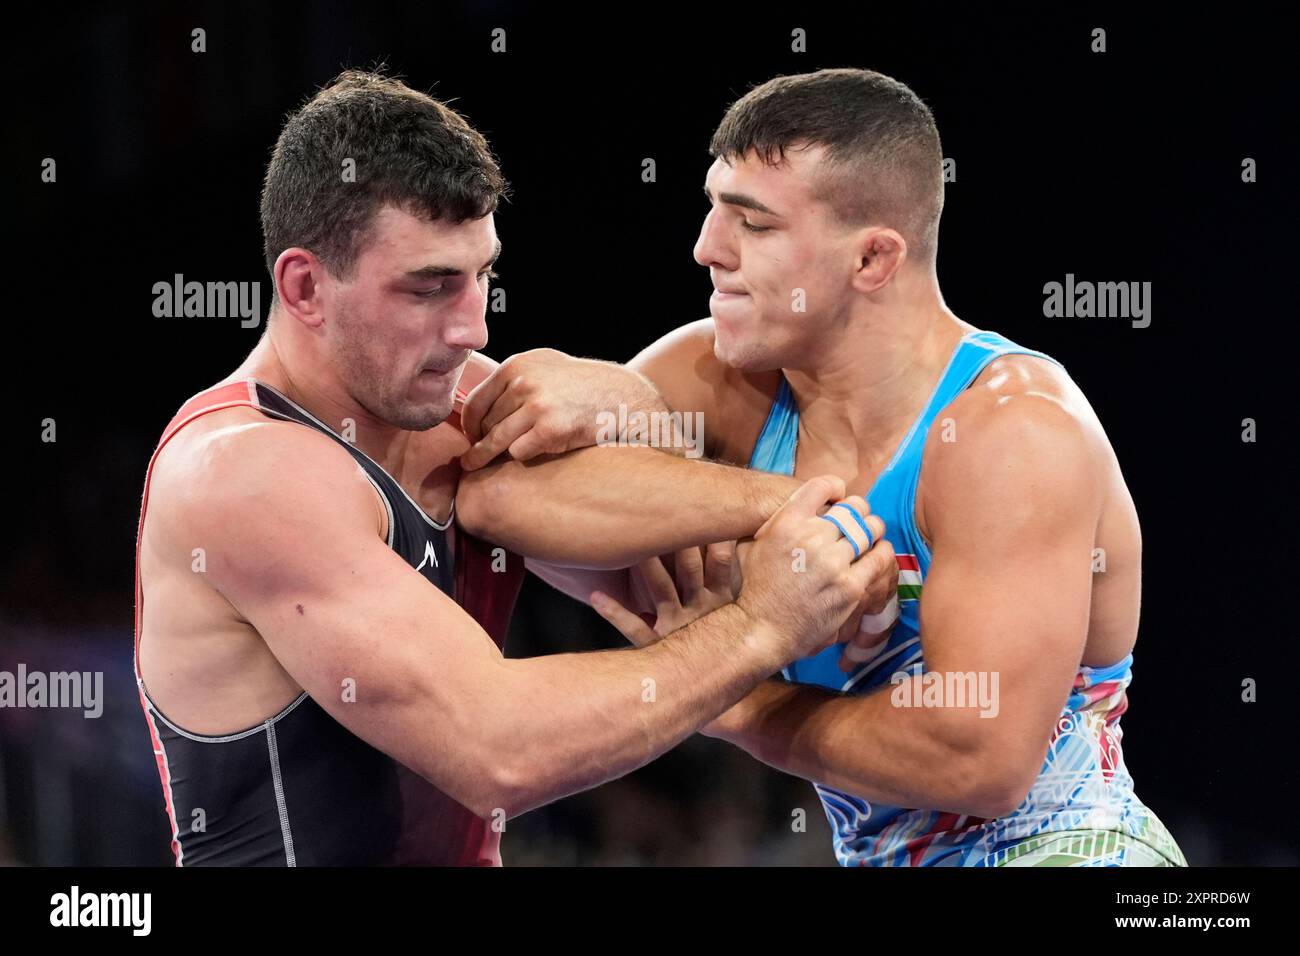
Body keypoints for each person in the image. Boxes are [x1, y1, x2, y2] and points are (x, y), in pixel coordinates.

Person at [132, 69, 897, 866]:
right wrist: (760, 628)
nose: (471, 326)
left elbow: (681, 575)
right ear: (305, 286)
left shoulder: (463, 405)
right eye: (429, 287)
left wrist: (640, 406)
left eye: (482, 275)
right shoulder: (244, 478)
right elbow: (499, 752)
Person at [460, 68, 1187, 867]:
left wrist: (733, 696)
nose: (707, 248)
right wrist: (782, 505)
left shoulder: (1010, 434)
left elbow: (978, 761)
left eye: (755, 225)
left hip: (1068, 851)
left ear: (873, 258)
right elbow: (498, 493)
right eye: (713, 207)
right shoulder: (729, 382)